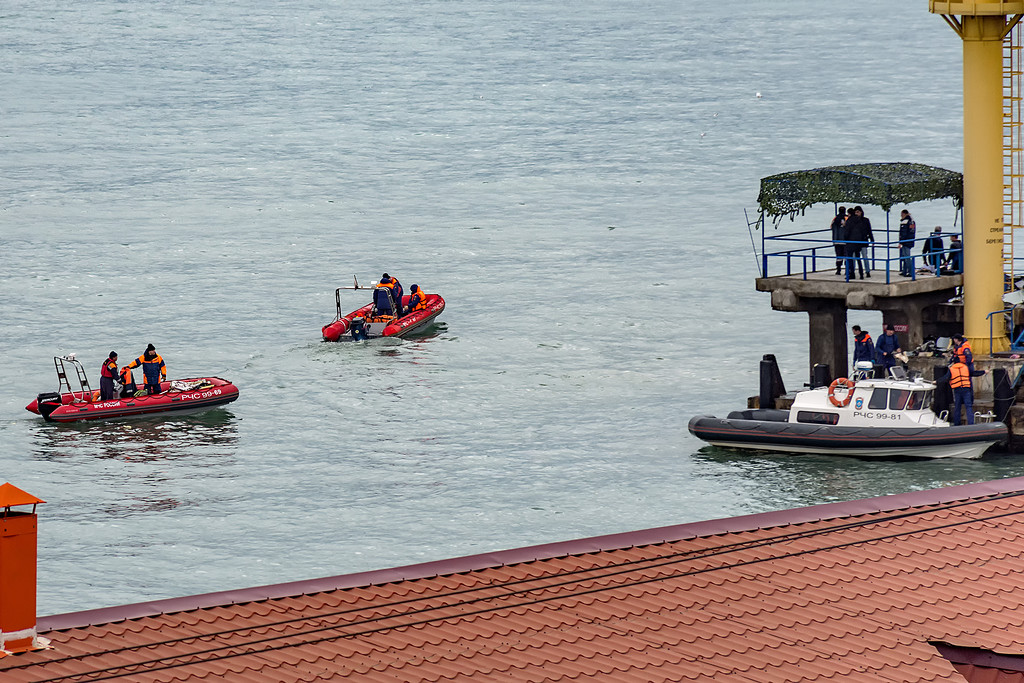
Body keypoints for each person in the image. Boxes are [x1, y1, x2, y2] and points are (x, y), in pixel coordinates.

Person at [943, 358, 986, 425]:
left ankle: (957, 423)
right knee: (968, 407)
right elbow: (974, 373)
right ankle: (971, 423)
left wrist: (936, 381)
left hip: (957, 390)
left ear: (954, 363)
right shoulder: (965, 368)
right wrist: (984, 371)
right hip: (966, 389)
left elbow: (945, 378)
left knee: (957, 407)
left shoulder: (951, 369)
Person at [844, 206, 874, 279]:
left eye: (858, 211)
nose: (857, 213)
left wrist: (872, 239)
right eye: (856, 212)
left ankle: (867, 271)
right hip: (857, 242)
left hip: (861, 241)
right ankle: (855, 272)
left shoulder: (865, 220)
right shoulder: (856, 220)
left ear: (861, 212)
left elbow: (869, 230)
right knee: (855, 258)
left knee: (864, 256)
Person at [898, 209, 916, 277]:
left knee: (906, 257)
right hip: (910, 240)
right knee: (905, 256)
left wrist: (901, 242)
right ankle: (904, 271)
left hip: (906, 241)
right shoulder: (912, 221)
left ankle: (911, 272)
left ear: (904, 214)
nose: (901, 216)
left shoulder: (905, 222)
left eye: (902, 214)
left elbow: (903, 233)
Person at [831, 207, 847, 275]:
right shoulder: (846, 218)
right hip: (845, 241)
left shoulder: (835, 219)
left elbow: (831, 227)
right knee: (846, 256)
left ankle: (838, 270)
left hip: (836, 241)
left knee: (838, 256)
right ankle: (847, 270)